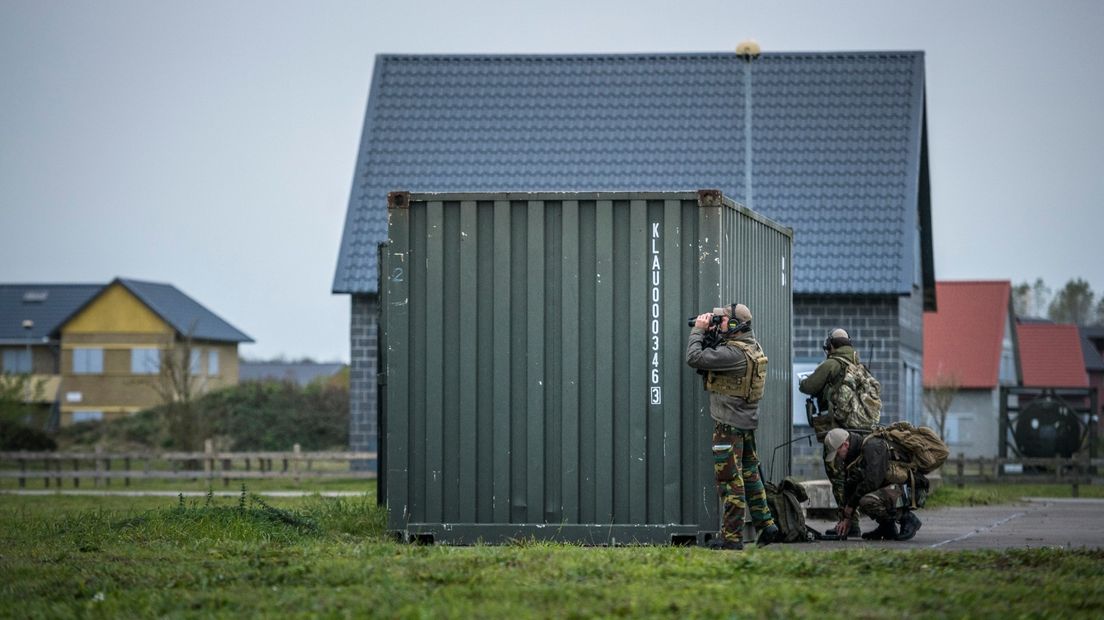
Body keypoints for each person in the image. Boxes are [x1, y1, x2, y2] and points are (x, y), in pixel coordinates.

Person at [686, 303, 779, 550]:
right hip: (745, 422)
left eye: (724, 320)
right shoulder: (751, 346)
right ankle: (766, 525)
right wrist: (714, 332)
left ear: (736, 325)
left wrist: (698, 330)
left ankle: (732, 538)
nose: (720, 323)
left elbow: (694, 358)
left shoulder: (733, 354)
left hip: (729, 424)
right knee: (750, 475)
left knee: (729, 480)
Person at [798, 328, 876, 538]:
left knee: (838, 476)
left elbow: (808, 386)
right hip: (861, 432)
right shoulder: (860, 366)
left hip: (839, 432)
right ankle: (853, 522)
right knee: (853, 476)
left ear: (831, 346)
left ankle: (848, 523)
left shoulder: (832, 364)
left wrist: (803, 381)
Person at [824, 427, 922, 541]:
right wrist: (846, 517)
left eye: (837, 453)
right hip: (894, 489)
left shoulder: (873, 447)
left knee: (866, 500)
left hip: (911, 490)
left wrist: (851, 506)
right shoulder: (853, 455)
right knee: (860, 497)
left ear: (845, 444)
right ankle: (887, 528)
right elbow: (850, 486)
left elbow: (872, 482)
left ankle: (908, 518)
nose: (837, 457)